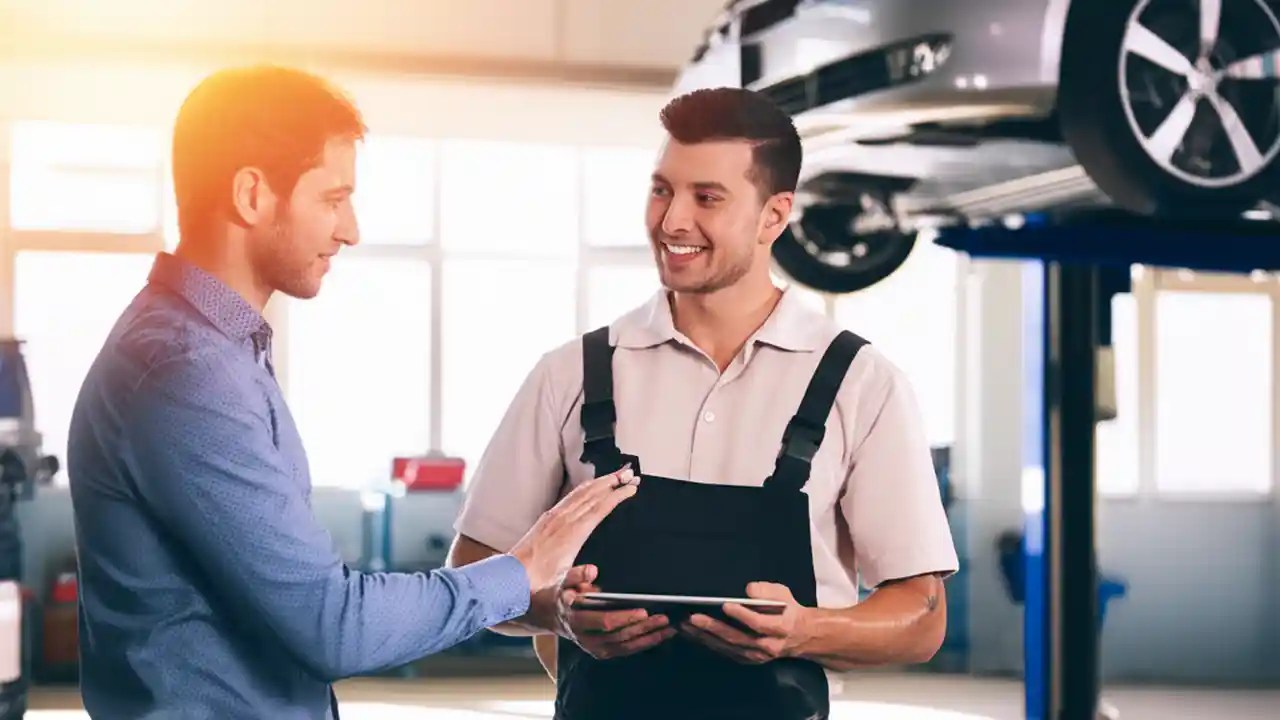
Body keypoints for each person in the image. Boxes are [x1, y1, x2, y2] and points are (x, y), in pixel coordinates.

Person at [65, 65, 638, 720]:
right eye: (332, 199)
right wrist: (522, 566)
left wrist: (519, 597)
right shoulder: (185, 372)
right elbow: (331, 625)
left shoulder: (216, 349)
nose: (351, 229)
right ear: (252, 195)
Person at [447, 86, 959, 719]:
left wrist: (804, 631)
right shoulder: (570, 375)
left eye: (706, 198)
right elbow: (473, 570)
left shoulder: (861, 383)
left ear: (774, 217)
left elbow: (921, 617)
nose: (671, 221)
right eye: (662, 189)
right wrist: (560, 614)